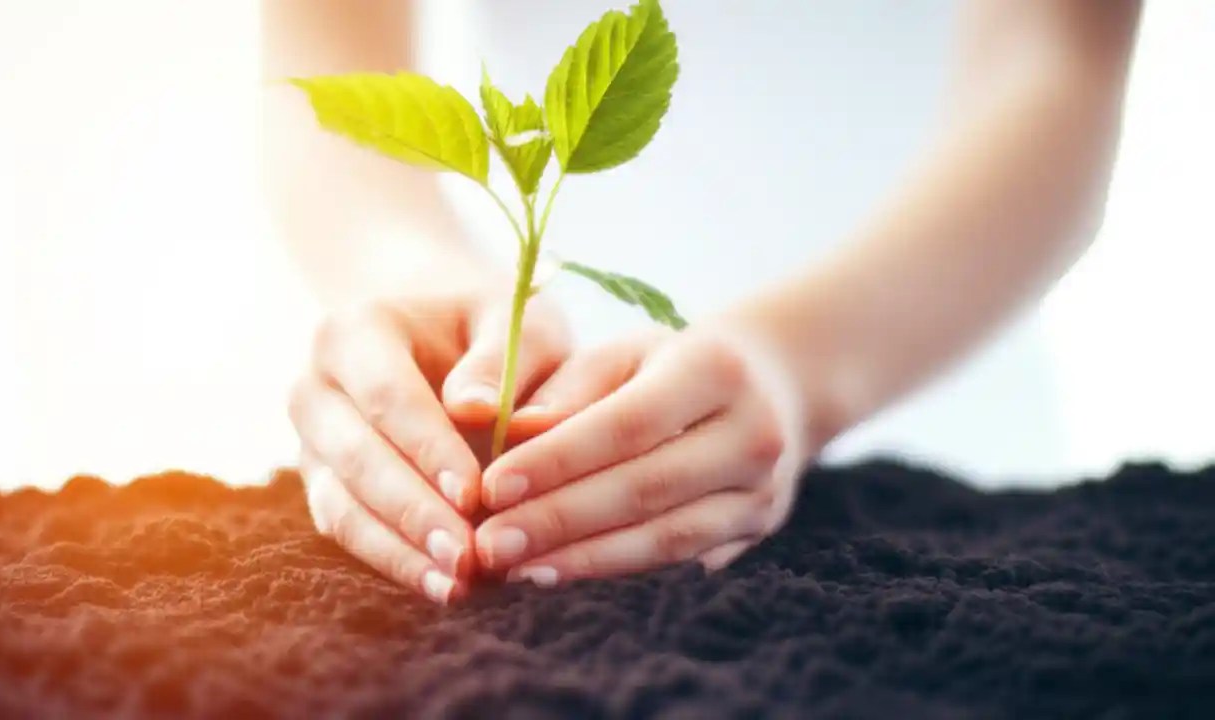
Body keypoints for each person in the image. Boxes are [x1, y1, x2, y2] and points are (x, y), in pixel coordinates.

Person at [263, 1, 1142, 604]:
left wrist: (799, 368)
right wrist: (419, 288)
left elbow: (1059, 66)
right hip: (505, 446)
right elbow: (326, 58)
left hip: (941, 453)